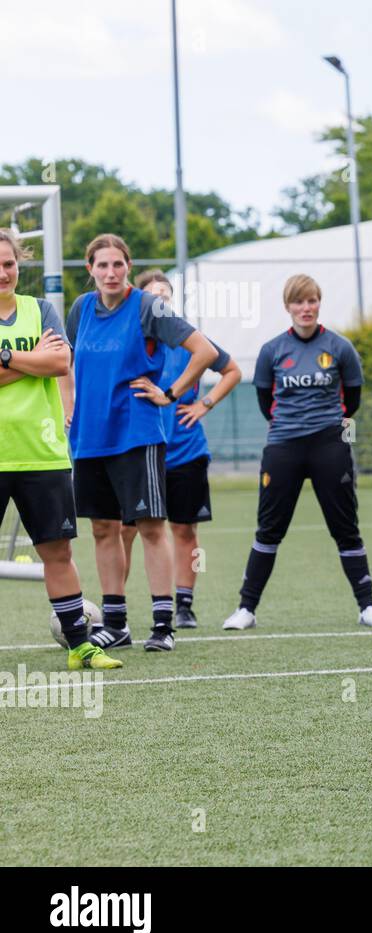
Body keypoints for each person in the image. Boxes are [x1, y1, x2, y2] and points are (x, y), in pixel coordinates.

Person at [66, 234, 218, 652]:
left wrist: (169, 393)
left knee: (151, 528)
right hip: (90, 437)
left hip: (138, 435)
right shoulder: (81, 309)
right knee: (103, 528)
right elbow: (66, 361)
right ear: (90, 270)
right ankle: (115, 624)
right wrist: (68, 405)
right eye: (102, 266)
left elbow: (202, 350)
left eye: (118, 264)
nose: (110, 273)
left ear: (128, 266)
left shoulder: (149, 306)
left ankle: (163, 625)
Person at [222, 274, 372, 630]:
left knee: (345, 528)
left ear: (319, 303)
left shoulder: (340, 347)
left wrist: (328, 427)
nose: (306, 308)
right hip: (283, 445)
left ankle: (368, 607)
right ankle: (246, 609)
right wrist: (291, 427)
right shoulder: (271, 351)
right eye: (298, 302)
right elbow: (265, 402)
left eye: (312, 300)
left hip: (330, 444)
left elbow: (353, 399)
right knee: (269, 530)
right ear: (288, 307)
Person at [0, 228, 120, 668]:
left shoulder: (41, 309)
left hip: (43, 452)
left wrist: (9, 358)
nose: (4, 272)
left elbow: (60, 362)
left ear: (19, 265)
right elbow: (44, 363)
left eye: (9, 263)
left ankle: (79, 647)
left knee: (58, 552)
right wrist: (33, 359)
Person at [120, 270, 241, 628]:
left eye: (165, 296)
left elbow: (232, 371)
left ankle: (184, 605)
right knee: (125, 531)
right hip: (139, 451)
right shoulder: (129, 341)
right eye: (152, 297)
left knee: (185, 530)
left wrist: (205, 403)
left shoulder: (190, 342)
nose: (160, 303)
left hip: (185, 453)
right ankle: (116, 610)